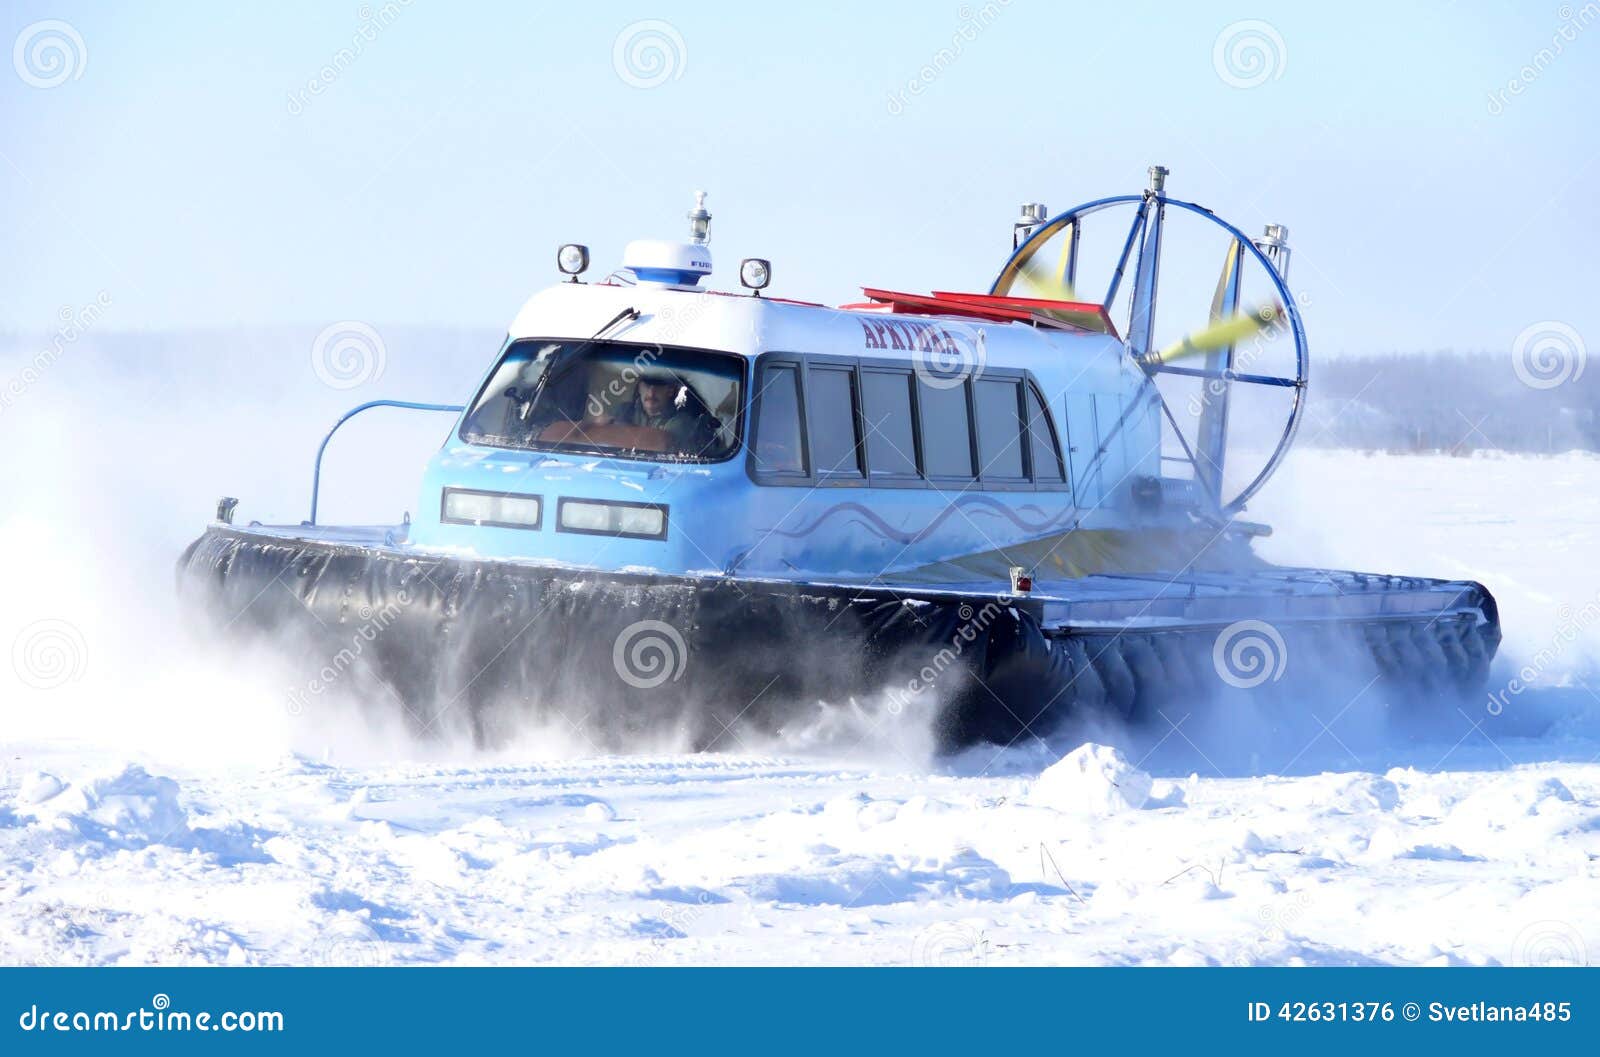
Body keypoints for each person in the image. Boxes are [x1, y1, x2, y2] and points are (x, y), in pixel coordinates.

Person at [614, 372, 719, 455]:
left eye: (659, 387)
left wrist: (603, 432)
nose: (651, 393)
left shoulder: (683, 422)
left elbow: (660, 442)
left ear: (670, 391)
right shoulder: (624, 411)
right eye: (647, 385)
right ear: (640, 388)